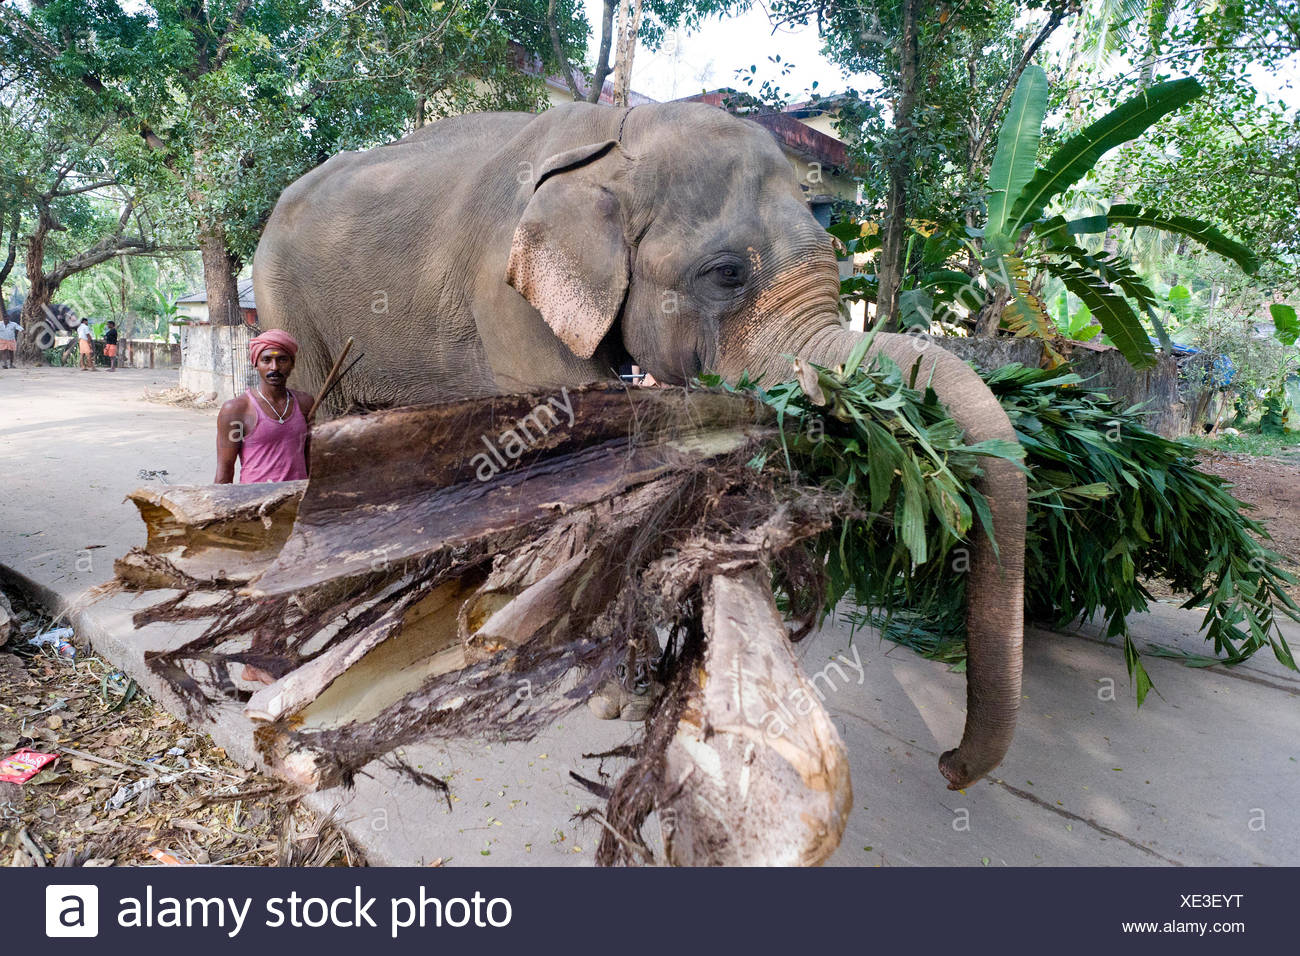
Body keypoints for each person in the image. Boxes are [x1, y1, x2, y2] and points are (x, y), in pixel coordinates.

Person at [215, 329, 315, 483]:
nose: (274, 367)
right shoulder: (236, 410)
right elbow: (225, 469)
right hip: (256, 501)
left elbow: (309, 457)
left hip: (297, 498)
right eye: (266, 360)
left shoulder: (305, 403)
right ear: (256, 364)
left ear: (292, 364)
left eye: (282, 360)